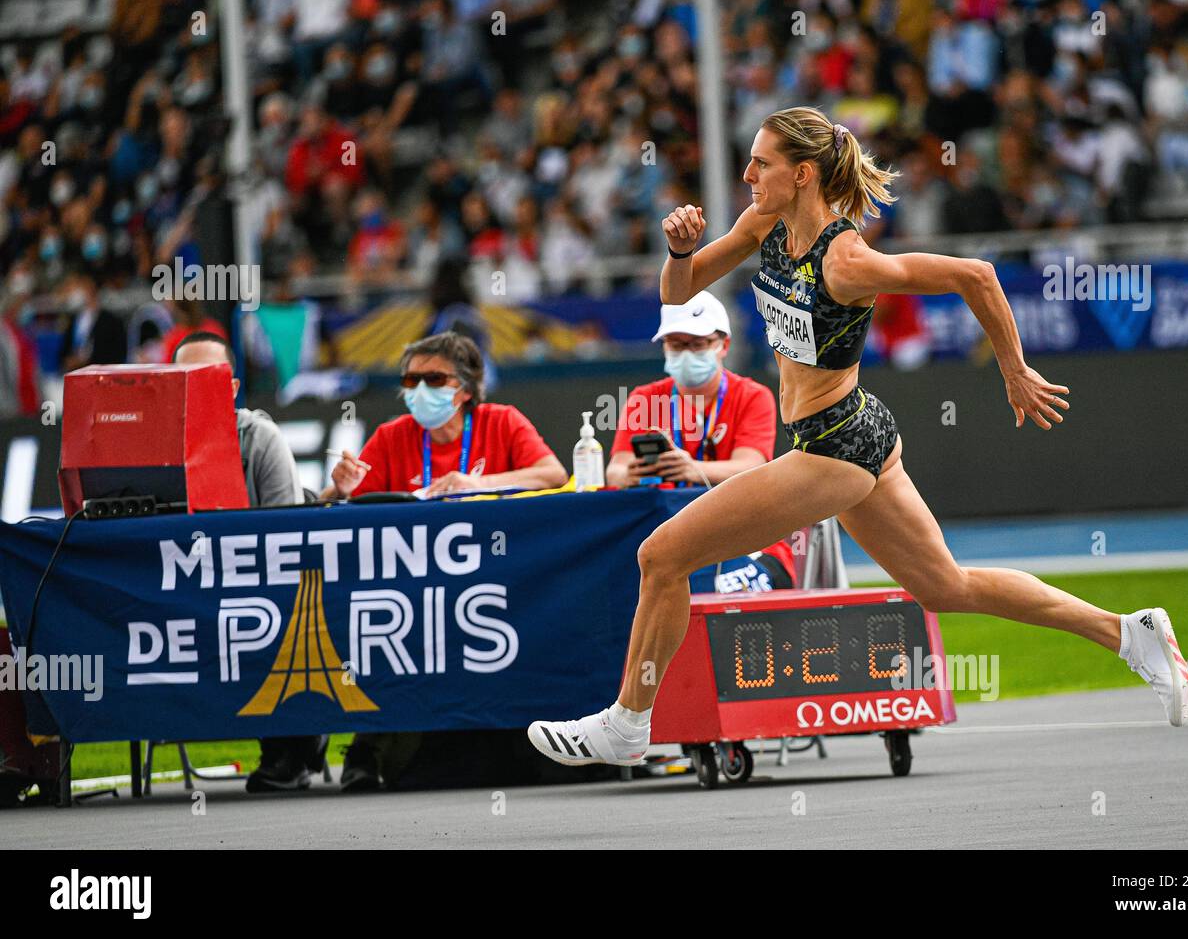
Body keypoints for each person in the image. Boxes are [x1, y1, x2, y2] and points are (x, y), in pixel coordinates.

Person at [527, 107, 1188, 768]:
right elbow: (679, 293)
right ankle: (1128, 633)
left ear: (803, 174)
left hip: (834, 450)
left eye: (762, 162)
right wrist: (677, 249)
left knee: (661, 556)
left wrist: (1014, 370)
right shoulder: (765, 223)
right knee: (946, 587)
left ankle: (628, 723)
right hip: (859, 432)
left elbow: (977, 276)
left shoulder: (846, 260)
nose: (748, 172)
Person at [323, 331, 567, 790]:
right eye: (409, 379)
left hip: (497, 578)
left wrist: (480, 483)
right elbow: (333, 504)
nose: (418, 390)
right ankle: (370, 744)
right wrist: (339, 486)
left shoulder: (502, 422)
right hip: (414, 589)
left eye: (433, 378)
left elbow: (552, 474)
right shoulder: (394, 435)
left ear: (466, 388)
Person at [172, 332, 324, 792]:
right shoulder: (156, 441)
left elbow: (288, 532)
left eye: (206, 377)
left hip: (259, 585)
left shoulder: (260, 439)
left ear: (233, 388)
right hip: (183, 584)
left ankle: (293, 745)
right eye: (183, 379)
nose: (193, 387)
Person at [606, 290, 795, 591]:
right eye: (676, 345)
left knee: (717, 588)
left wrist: (691, 469)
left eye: (697, 344)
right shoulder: (645, 398)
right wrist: (631, 473)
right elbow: (614, 471)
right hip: (666, 534)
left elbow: (752, 467)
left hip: (744, 536)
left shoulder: (751, 396)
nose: (686, 354)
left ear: (723, 345)